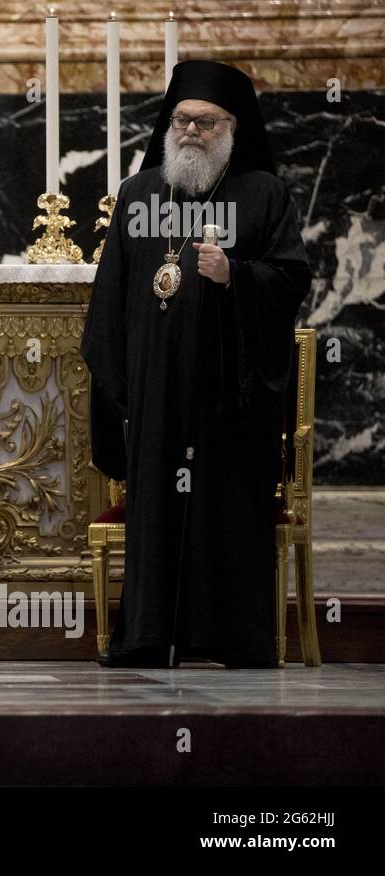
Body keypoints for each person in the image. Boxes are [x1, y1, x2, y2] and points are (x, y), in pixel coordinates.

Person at [81, 60, 312, 668]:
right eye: (181, 120)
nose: (189, 132)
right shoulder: (139, 195)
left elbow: (292, 279)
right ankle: (148, 638)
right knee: (158, 510)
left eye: (205, 123)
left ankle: (232, 638)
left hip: (228, 394)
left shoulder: (264, 193)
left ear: (232, 128)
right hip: (158, 393)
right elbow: (110, 297)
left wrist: (235, 274)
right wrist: (120, 385)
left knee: (224, 510)